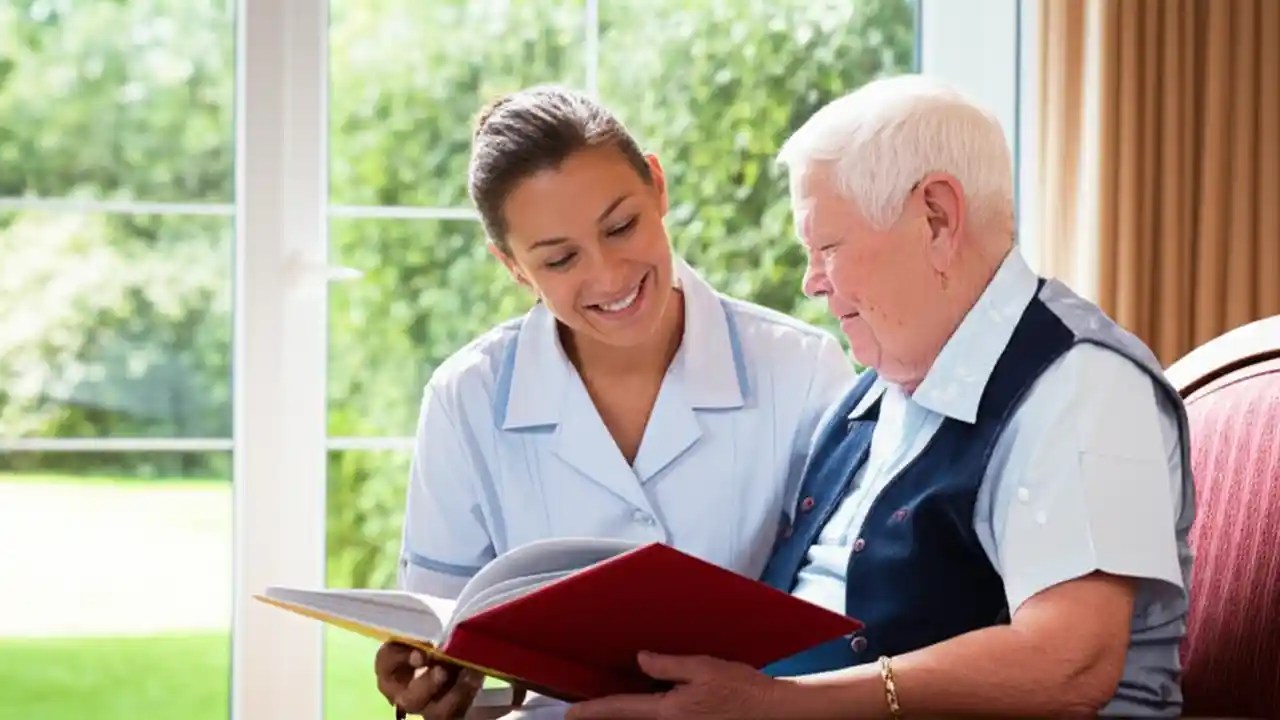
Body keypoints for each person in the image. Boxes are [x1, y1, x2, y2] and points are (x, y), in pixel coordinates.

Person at [566, 75, 1195, 719]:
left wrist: (775, 704)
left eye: (828, 247)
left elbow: (1070, 665)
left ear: (937, 218)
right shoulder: (869, 397)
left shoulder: (1082, 385)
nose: (812, 282)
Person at [372, 85, 856, 719]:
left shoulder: (800, 369)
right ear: (513, 266)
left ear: (657, 184)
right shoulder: (466, 398)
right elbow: (448, 636)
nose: (608, 275)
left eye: (621, 226)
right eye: (560, 258)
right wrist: (433, 683)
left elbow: (846, 609)